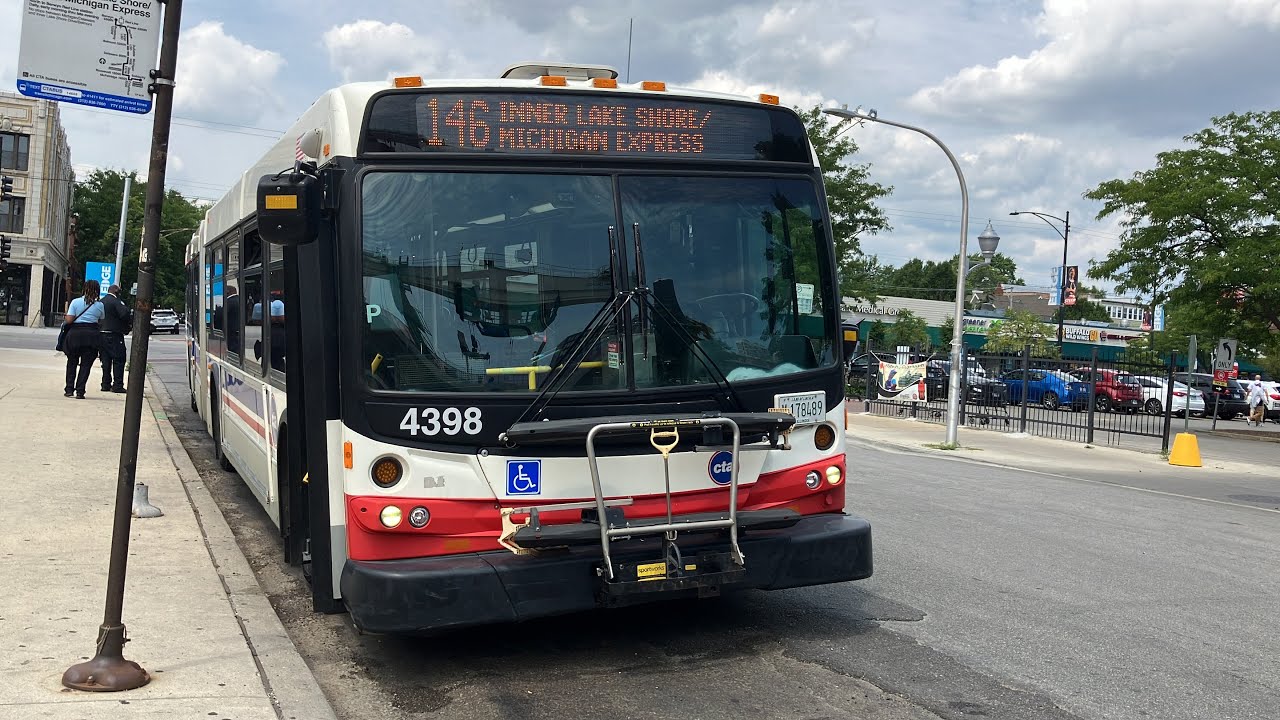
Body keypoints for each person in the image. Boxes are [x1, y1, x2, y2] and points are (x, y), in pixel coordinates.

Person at [63, 280, 105, 399]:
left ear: (84, 289)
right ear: (97, 290)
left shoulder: (75, 302)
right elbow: (101, 320)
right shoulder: (100, 305)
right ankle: (80, 391)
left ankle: (69, 389)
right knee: (86, 365)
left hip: (75, 334)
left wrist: (67, 315)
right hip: (92, 335)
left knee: (72, 362)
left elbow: (69, 320)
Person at [98, 284, 131, 393]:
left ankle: (105, 383)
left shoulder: (101, 301)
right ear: (116, 292)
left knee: (105, 360)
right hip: (114, 334)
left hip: (101, 334)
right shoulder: (116, 302)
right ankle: (117, 385)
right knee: (119, 359)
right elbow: (124, 314)